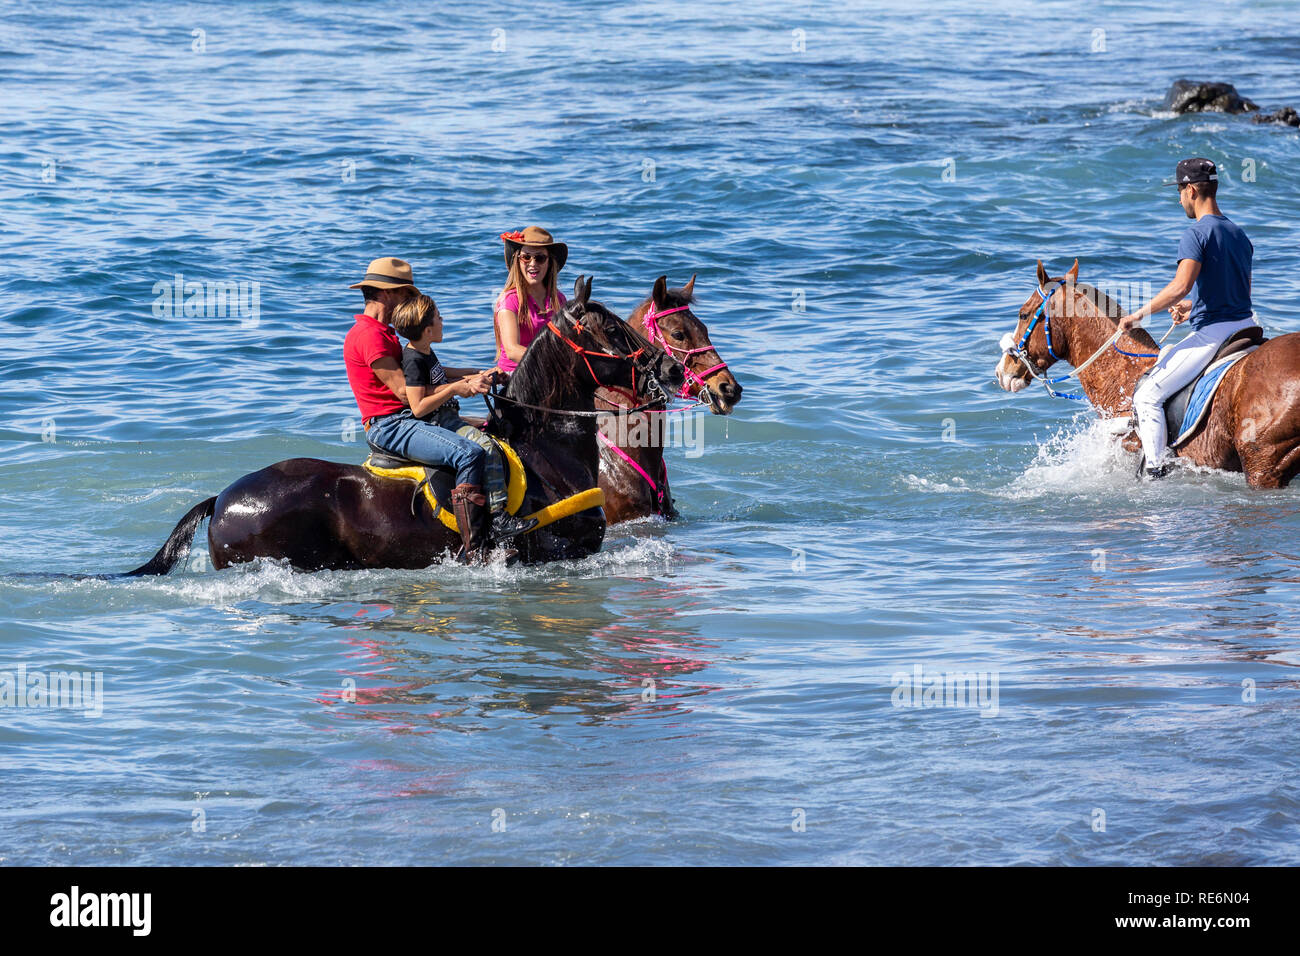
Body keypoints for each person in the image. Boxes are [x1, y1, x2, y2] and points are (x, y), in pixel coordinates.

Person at [341, 257, 507, 563]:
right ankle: (478, 550)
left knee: (490, 428)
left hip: (410, 418)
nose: (410, 304)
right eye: (407, 296)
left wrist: (477, 374)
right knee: (469, 453)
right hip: (391, 424)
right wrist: (458, 388)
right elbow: (406, 395)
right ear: (387, 294)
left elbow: (431, 373)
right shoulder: (369, 336)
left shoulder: (386, 333)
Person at [1118, 158, 1257, 479]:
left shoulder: (1195, 234)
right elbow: (1240, 295)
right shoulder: (1239, 235)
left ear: (1191, 190)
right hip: (1246, 327)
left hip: (1215, 335)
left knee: (1147, 395)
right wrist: (1194, 308)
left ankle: (1155, 470)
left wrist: (1137, 314)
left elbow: (1180, 286)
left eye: (1180, 191)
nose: (1180, 199)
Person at [392, 294, 535, 541]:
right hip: (438, 422)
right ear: (428, 330)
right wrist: (456, 388)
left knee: (495, 429)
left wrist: (478, 374)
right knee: (487, 446)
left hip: (448, 415)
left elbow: (442, 374)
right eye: (438, 318)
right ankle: (498, 515)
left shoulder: (424, 351)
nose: (443, 320)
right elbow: (417, 407)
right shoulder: (413, 359)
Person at [494, 226, 569, 375]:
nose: (533, 263)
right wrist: (553, 362)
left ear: (549, 262)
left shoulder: (558, 299)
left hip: (550, 374)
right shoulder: (509, 301)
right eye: (526, 257)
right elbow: (512, 350)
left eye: (540, 258)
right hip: (516, 377)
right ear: (518, 260)